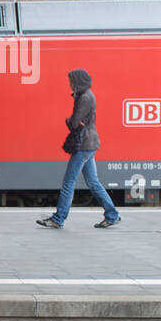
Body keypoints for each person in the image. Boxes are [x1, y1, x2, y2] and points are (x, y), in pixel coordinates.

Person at [37, 68, 121, 229]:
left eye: (71, 81)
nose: (69, 84)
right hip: (89, 143)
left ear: (78, 82)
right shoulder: (87, 95)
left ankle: (58, 219)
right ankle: (112, 215)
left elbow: (74, 122)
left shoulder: (84, 98)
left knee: (69, 182)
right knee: (93, 182)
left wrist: (68, 120)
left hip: (83, 144)